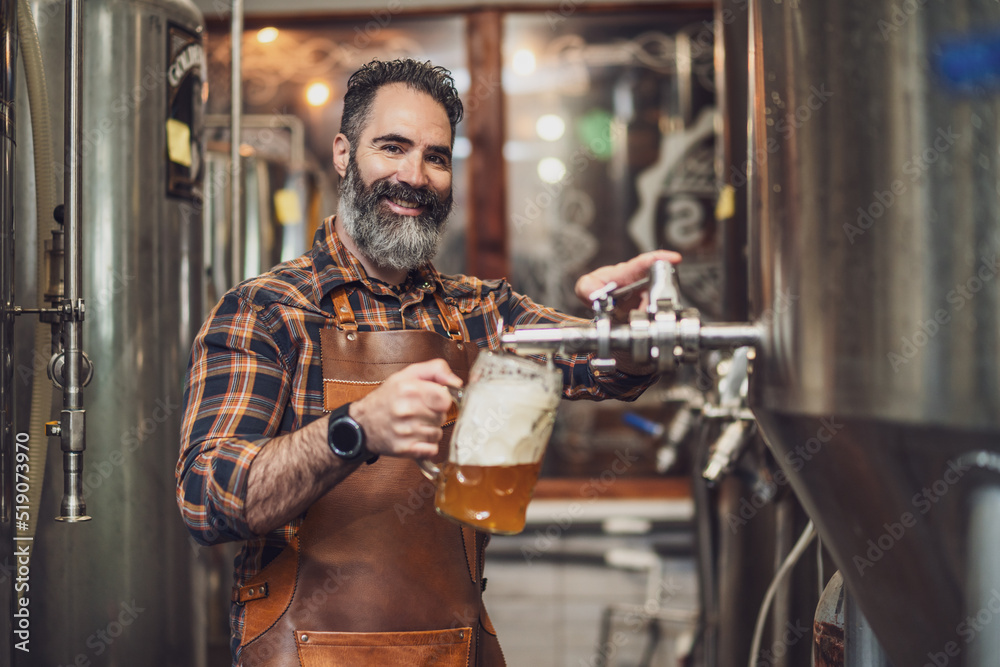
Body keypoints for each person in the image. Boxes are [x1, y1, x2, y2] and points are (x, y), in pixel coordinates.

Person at [176, 58, 679, 667]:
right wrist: (353, 430)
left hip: (454, 651)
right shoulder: (267, 310)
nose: (414, 176)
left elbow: (608, 369)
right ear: (343, 154)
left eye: (436, 157)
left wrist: (630, 326)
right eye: (392, 147)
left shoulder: (480, 311)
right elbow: (206, 498)